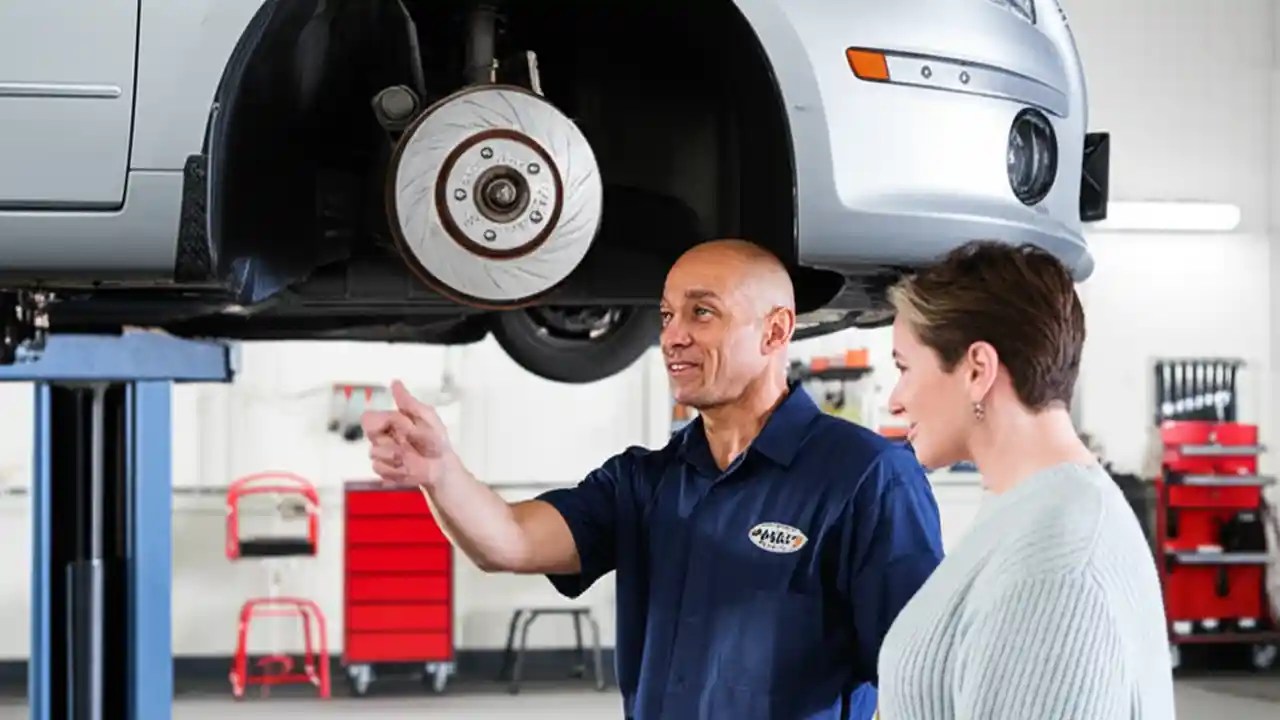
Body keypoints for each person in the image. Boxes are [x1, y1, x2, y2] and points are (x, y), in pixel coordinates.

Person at [363, 238, 945, 719]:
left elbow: (921, 676)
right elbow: (510, 540)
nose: (672, 336)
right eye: (667, 315)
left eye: (702, 312)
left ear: (774, 332)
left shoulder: (866, 477)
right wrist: (438, 471)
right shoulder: (645, 482)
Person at [875, 240, 1175, 719]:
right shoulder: (1033, 509)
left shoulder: (1060, 558)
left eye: (904, 368)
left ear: (977, 369)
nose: (896, 399)